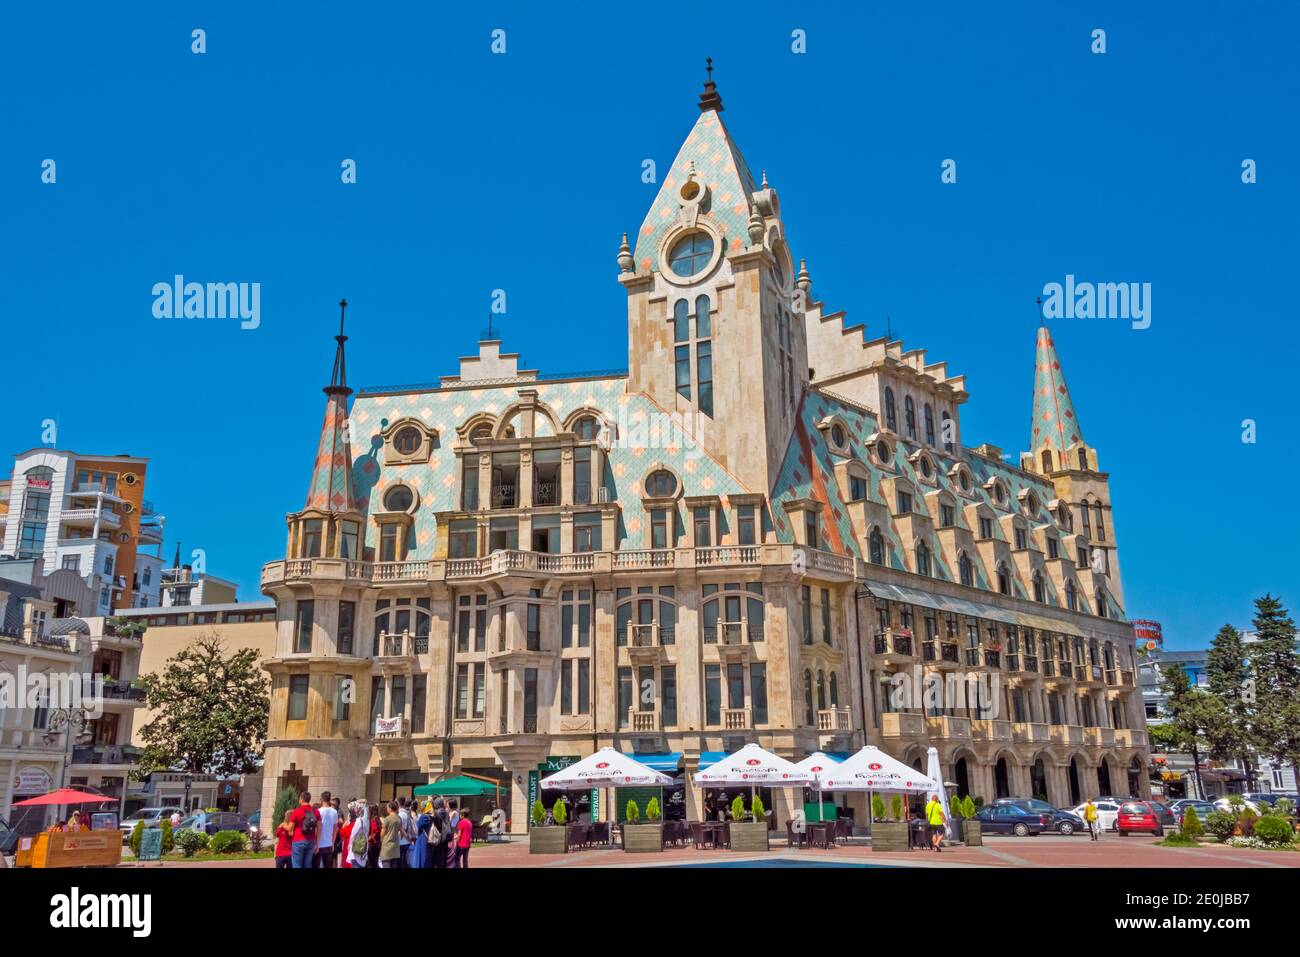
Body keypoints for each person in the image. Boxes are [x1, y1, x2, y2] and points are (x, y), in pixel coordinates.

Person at [288, 790, 320, 868]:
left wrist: (283, 825)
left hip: (298, 840)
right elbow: (319, 828)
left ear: (301, 799)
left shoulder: (297, 811)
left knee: (297, 865)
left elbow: (289, 828)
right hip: (311, 841)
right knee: (307, 865)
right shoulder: (316, 812)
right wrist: (317, 843)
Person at [315, 790, 339, 868]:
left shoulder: (318, 811)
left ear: (321, 799)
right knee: (327, 865)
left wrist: (317, 844)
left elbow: (318, 829)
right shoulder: (334, 812)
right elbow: (335, 829)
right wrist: (332, 843)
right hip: (329, 844)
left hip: (320, 844)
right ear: (329, 800)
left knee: (318, 865)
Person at [379, 801, 402, 868]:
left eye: (387, 807)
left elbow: (382, 833)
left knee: (386, 865)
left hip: (387, 847)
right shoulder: (399, 819)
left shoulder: (387, 819)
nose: (387, 809)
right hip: (395, 847)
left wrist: (381, 840)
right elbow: (402, 831)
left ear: (390, 808)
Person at [412, 802, 434, 868]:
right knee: (427, 856)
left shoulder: (423, 816)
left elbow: (417, 828)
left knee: (421, 857)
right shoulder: (432, 816)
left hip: (422, 839)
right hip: (430, 838)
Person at [444, 800, 461, 868]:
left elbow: (449, 822)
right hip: (453, 834)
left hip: (453, 834)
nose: (447, 805)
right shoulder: (455, 812)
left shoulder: (454, 812)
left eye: (448, 804)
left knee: (452, 855)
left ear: (451, 805)